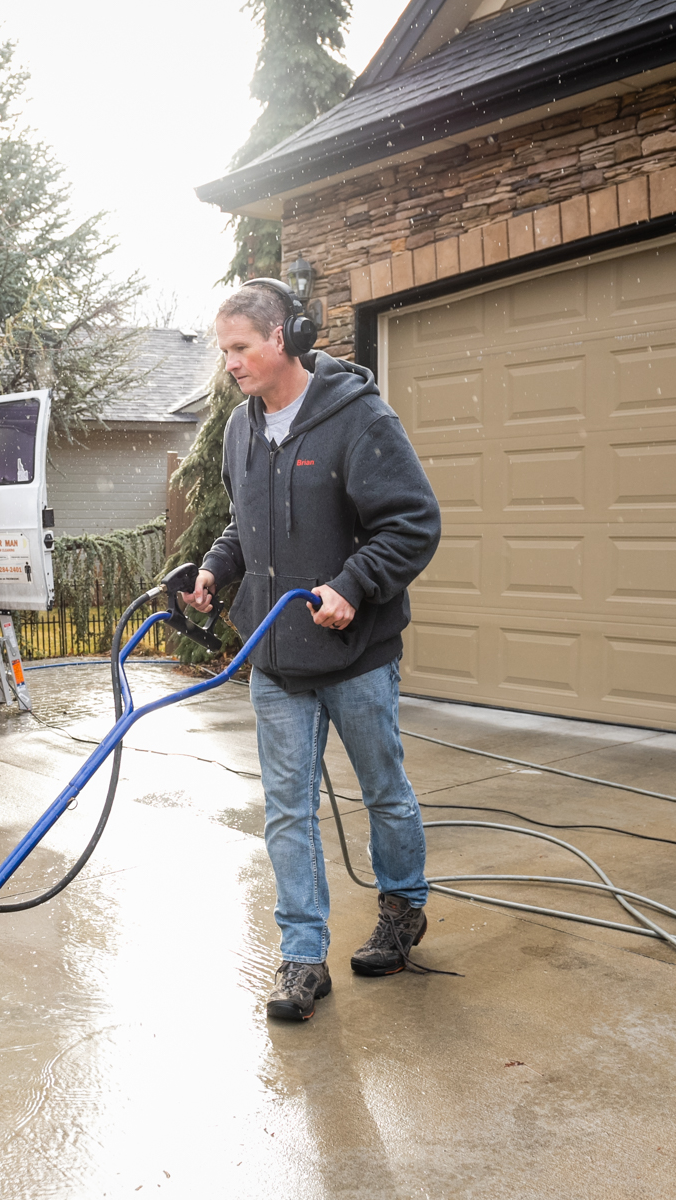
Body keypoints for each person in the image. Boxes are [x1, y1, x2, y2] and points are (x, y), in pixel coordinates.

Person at [183, 280, 441, 1022]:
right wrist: (214, 567)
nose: (229, 363)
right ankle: (302, 956)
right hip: (277, 658)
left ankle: (402, 909)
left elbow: (412, 523)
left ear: (286, 337)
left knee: (383, 792)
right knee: (287, 813)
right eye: (223, 350)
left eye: (240, 348)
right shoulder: (241, 429)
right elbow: (246, 524)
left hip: (356, 654)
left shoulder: (358, 420)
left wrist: (353, 585)